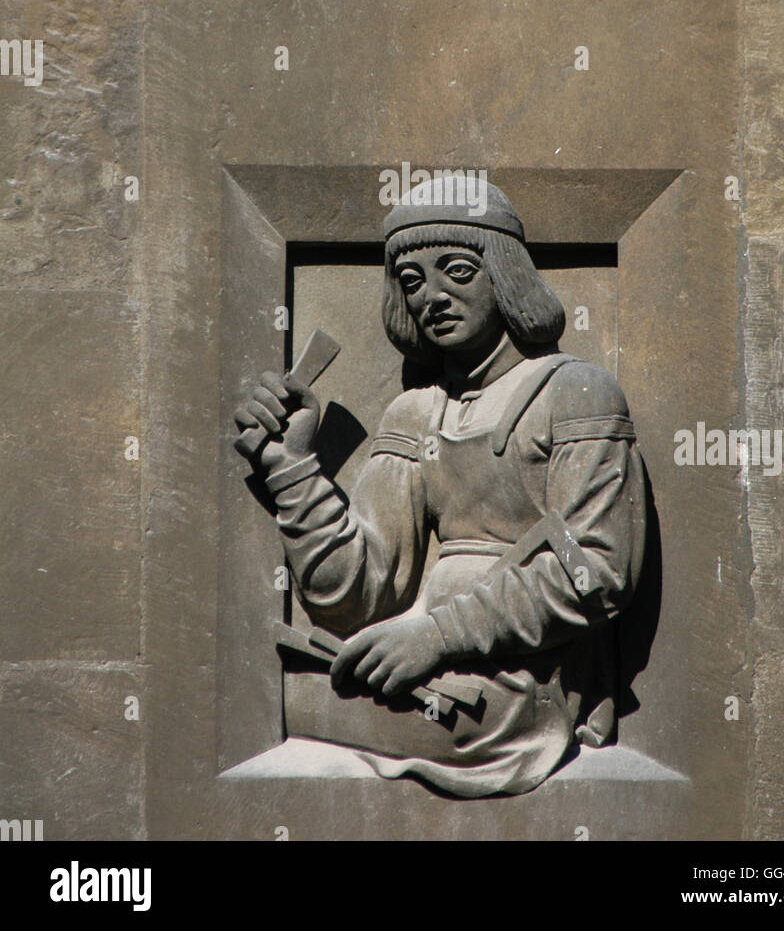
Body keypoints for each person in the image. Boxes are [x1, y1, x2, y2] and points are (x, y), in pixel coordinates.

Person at [235, 178, 646, 797]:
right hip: (413, 670)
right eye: (411, 280)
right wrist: (291, 469)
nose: (432, 297)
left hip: (515, 688)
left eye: (456, 270)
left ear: (505, 273)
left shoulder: (575, 392)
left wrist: (437, 636)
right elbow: (356, 592)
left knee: (338, 725)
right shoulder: (415, 414)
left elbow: (596, 573)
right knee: (296, 705)